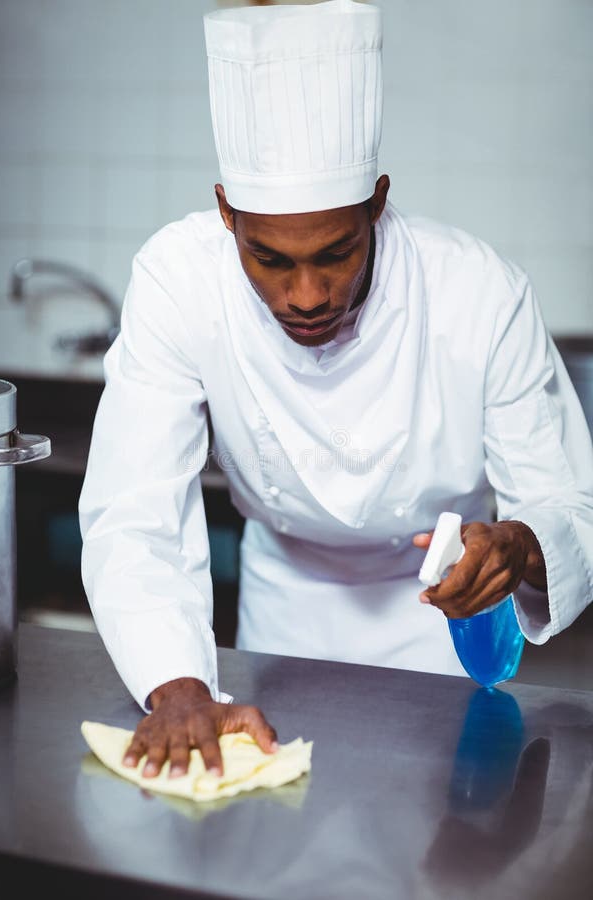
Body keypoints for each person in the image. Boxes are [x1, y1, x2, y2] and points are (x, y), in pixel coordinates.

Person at [78, 0, 593, 780]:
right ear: (226, 214)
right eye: (270, 260)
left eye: (337, 251)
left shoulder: (480, 292)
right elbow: (135, 512)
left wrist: (519, 546)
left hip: (436, 623)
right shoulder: (176, 281)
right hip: (281, 612)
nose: (308, 295)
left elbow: (570, 507)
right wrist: (175, 686)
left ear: (377, 203)